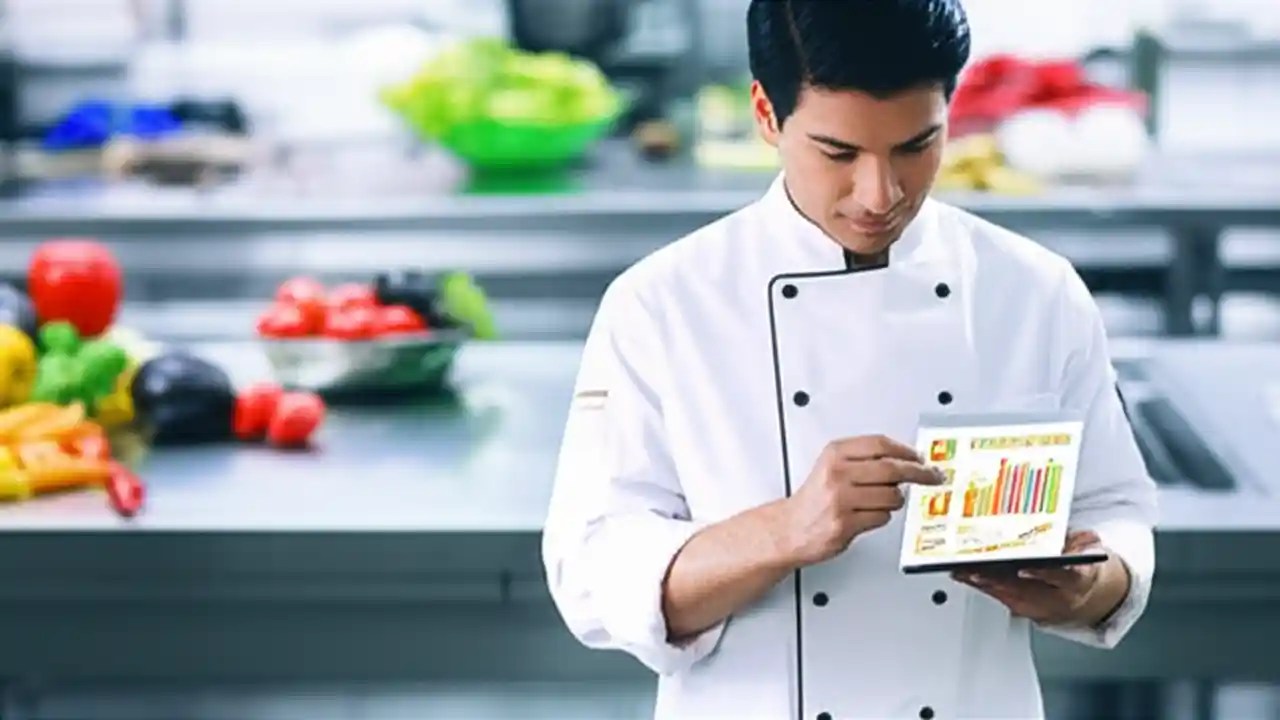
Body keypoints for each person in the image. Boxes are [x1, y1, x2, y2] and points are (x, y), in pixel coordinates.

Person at [541, 1, 1157, 718]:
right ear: (767, 115)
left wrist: (1090, 586)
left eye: (916, 145)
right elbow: (592, 576)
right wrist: (786, 530)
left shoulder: (1035, 292)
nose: (880, 194)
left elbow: (1115, 510)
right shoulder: (663, 303)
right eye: (839, 153)